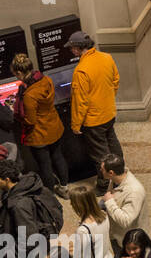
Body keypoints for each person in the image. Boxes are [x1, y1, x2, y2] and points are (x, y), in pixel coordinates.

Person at [66, 32, 121, 193]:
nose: (71, 51)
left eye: (72, 48)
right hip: (109, 112)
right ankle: (120, 172)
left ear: (77, 49)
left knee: (100, 156)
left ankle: (104, 185)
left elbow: (80, 102)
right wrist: (108, 98)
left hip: (93, 120)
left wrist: (76, 125)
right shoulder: (106, 57)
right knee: (113, 143)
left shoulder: (81, 71)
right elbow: (115, 81)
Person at [9, 53, 67, 193]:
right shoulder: (46, 79)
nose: (16, 77)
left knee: (45, 164)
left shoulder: (29, 95)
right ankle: (65, 188)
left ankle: (50, 194)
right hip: (54, 126)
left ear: (19, 72)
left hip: (39, 135)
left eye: (16, 75)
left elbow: (30, 120)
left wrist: (14, 111)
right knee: (58, 156)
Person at [99, 154, 146, 255]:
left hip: (129, 240)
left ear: (111, 173)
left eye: (102, 169)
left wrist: (109, 202)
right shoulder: (115, 179)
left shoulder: (134, 191)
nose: (100, 170)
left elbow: (126, 221)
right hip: (116, 233)